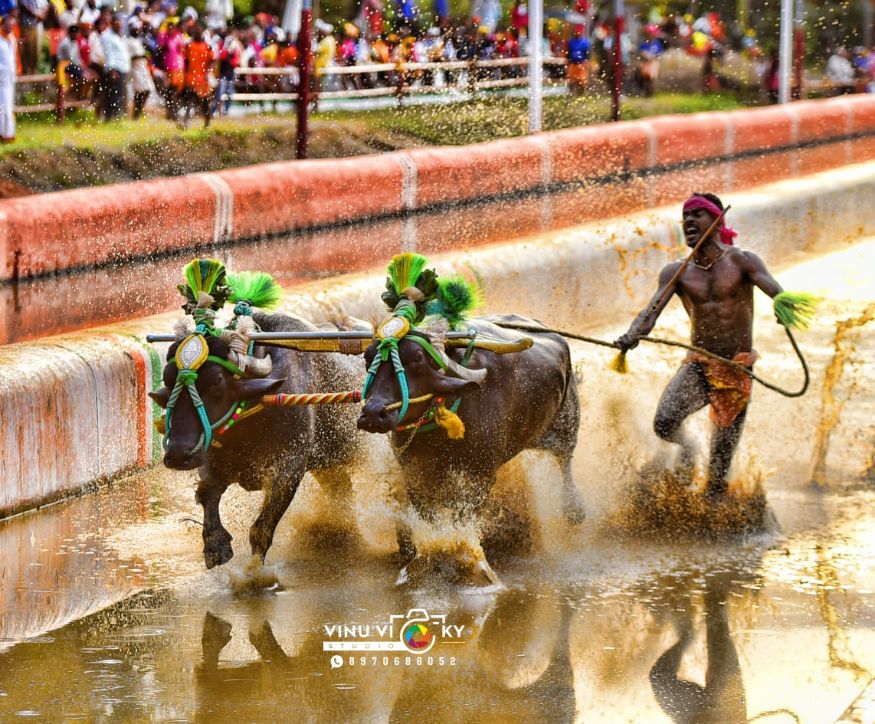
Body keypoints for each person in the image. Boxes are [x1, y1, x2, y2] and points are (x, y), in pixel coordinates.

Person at [614, 193, 785, 501]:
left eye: (697, 215)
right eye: (685, 217)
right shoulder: (676, 272)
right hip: (699, 365)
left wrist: (784, 307)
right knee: (664, 422)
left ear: (718, 220)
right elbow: (650, 312)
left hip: (737, 369)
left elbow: (775, 290)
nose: (689, 222)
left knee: (718, 476)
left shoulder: (743, 260)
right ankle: (690, 447)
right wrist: (631, 336)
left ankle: (717, 526)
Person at [100, 13, 130, 120]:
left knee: (120, 94)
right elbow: (108, 54)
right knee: (112, 95)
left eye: (121, 22)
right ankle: (110, 118)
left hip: (122, 68)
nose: (120, 24)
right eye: (117, 22)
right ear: (112, 23)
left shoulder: (119, 35)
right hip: (114, 69)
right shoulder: (107, 36)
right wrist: (112, 70)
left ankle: (117, 117)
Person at [0, 13, 17, 142]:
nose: (10, 26)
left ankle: (8, 133)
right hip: (1, 77)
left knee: (9, 106)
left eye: (12, 24)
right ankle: (5, 134)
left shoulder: (11, 38)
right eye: (8, 24)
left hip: (10, 77)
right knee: (3, 106)